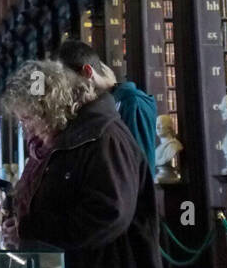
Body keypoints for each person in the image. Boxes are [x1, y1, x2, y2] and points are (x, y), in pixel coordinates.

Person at [3, 59, 171, 268]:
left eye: (28, 119)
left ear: (50, 108)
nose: (27, 130)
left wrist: (32, 229)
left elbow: (107, 215)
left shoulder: (103, 137)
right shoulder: (74, 138)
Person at [57, 38, 157, 176]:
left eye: (66, 83)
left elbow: (141, 172)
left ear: (87, 72)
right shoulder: (99, 108)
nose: (65, 93)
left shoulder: (133, 103)